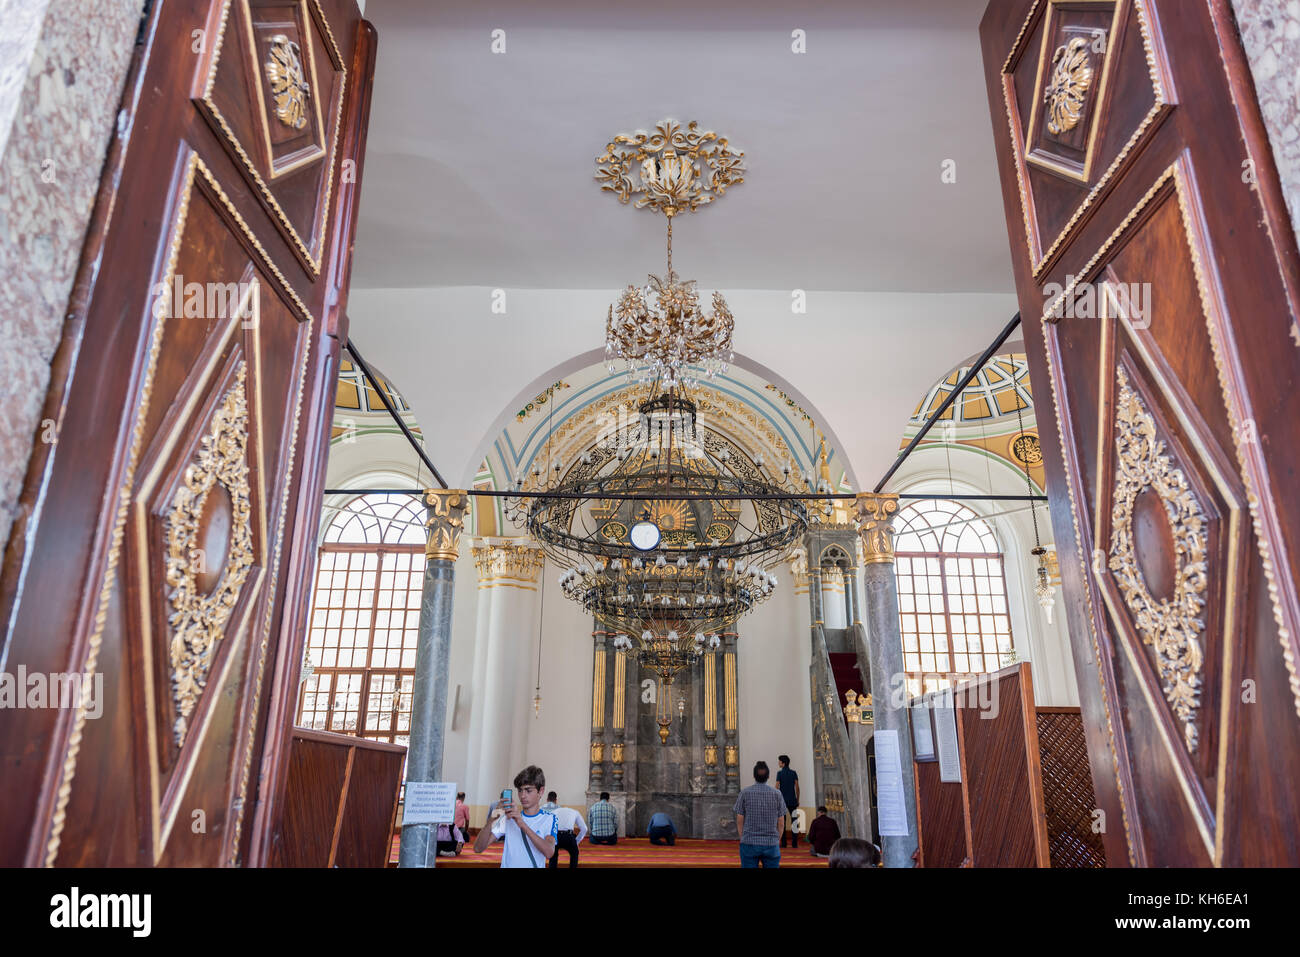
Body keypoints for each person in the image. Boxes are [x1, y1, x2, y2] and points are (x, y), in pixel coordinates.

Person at [471, 765, 557, 868]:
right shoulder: (509, 818)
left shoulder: (549, 818)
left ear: (541, 791)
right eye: (520, 790)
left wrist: (522, 824)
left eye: (528, 790)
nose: (522, 795)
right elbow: (478, 848)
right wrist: (491, 820)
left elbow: (549, 852)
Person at [733, 761, 786, 868]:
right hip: (771, 843)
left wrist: (742, 837)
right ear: (769, 776)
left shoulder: (745, 793)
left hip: (749, 843)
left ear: (754, 776)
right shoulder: (777, 794)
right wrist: (777, 839)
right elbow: (781, 822)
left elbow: (739, 819)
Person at [542, 791, 588, 868]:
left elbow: (547, 826)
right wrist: (577, 841)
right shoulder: (575, 812)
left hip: (556, 836)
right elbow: (584, 829)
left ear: (547, 799)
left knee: (553, 856)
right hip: (569, 836)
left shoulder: (553, 811)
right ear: (556, 800)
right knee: (574, 853)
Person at [775, 754, 800, 848]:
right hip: (793, 800)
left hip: (782, 801)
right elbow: (797, 787)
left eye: (779, 761)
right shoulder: (793, 773)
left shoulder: (780, 773)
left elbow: (777, 787)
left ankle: (784, 843)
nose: (778, 763)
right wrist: (798, 799)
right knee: (794, 822)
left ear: (783, 763)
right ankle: (794, 843)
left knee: (782, 822)